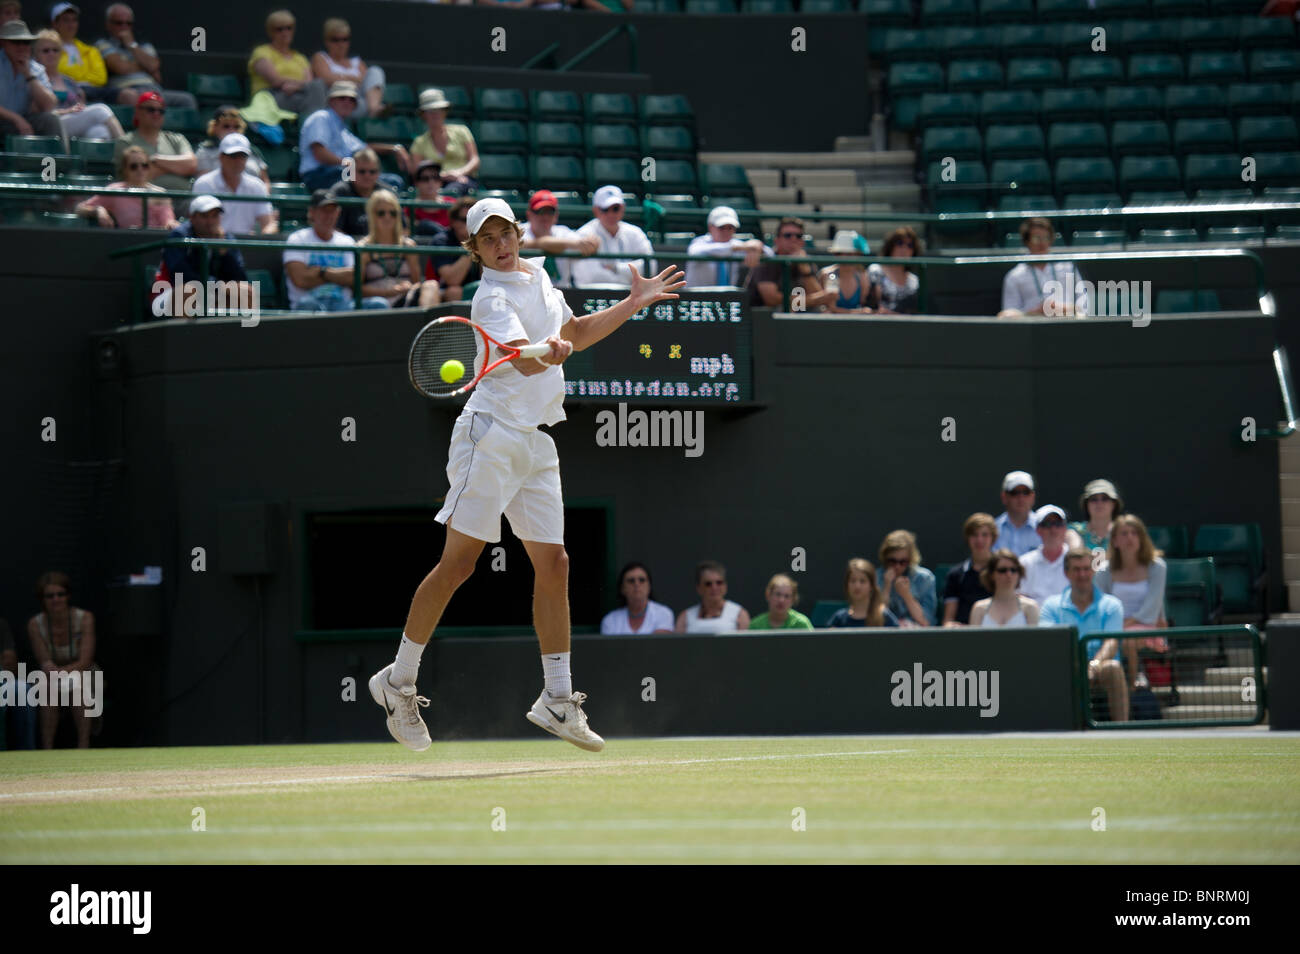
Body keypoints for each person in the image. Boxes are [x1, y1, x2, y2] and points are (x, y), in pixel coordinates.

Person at [368, 196, 685, 753]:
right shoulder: (488, 297)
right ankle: (397, 681)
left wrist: (633, 303)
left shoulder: (539, 277)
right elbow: (520, 357)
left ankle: (558, 700)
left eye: (505, 233)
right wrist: (549, 353)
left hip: (536, 439)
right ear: (475, 248)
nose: (501, 244)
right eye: (488, 239)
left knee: (555, 562)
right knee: (459, 564)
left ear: (518, 233)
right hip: (489, 438)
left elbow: (577, 333)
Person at [1039, 547, 1128, 721]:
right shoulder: (1051, 605)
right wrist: (1077, 667)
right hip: (1066, 668)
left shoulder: (1112, 605)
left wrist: (1093, 666)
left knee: (1113, 667)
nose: (1082, 574)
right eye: (1076, 569)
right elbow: (1050, 643)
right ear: (1066, 573)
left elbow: (1111, 642)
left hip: (1099, 667)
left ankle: (1121, 730)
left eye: (1086, 569)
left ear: (1093, 571)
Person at [283, 189, 387, 312]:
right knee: (308, 305)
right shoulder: (297, 239)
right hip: (310, 304)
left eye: (333, 210)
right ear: (312, 212)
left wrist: (321, 272)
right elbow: (301, 279)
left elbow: (355, 278)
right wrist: (338, 276)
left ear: (338, 213)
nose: (329, 215)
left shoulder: (347, 241)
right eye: (324, 210)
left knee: (379, 304)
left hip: (343, 306)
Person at [26, 571, 98, 749]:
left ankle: (83, 746)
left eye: (60, 594)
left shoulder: (85, 618)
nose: (56, 599)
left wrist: (63, 673)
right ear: (42, 599)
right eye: (50, 596)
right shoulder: (35, 624)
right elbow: (45, 661)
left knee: (79, 683)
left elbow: (85, 662)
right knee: (46, 687)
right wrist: (53, 673)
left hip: (84, 672)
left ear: (68, 596)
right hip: (52, 675)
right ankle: (47, 749)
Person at [149, 194, 251, 317]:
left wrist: (224, 253)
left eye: (215, 216)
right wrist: (220, 285)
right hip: (168, 293)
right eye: (204, 216)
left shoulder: (226, 239)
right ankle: (184, 335)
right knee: (188, 291)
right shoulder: (179, 236)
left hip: (210, 292)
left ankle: (236, 335)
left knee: (245, 291)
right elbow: (182, 277)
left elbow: (240, 278)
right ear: (192, 218)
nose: (210, 221)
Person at [298, 81, 407, 193]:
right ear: (331, 101)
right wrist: (349, 163)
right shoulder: (321, 117)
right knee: (365, 179)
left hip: (342, 172)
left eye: (351, 100)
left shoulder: (343, 130)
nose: (347, 102)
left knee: (394, 182)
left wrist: (394, 149)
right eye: (342, 98)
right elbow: (319, 153)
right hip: (317, 175)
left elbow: (365, 149)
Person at [94, 3, 196, 107]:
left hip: (154, 89)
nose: (124, 27)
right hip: (130, 90)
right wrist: (145, 67)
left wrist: (131, 45)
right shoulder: (103, 44)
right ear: (108, 24)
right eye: (119, 23)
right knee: (137, 99)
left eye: (128, 23)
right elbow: (120, 67)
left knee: (187, 100)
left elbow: (154, 66)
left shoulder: (142, 45)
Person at [357, 188, 441, 308]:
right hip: (375, 305)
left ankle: (428, 326)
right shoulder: (363, 247)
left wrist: (408, 287)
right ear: (372, 215)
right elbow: (357, 289)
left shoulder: (408, 245)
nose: (388, 217)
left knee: (431, 285)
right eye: (381, 213)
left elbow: (416, 282)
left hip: (405, 301)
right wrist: (389, 292)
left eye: (393, 213)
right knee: (380, 304)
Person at [33, 28, 118, 137]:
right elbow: (37, 113)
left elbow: (80, 106)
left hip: (73, 124)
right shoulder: (35, 79)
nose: (51, 54)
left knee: (99, 131)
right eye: (46, 50)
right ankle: (127, 146)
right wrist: (67, 111)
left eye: (55, 50)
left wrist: (79, 108)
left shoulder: (69, 81)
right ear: (35, 54)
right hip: (51, 125)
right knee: (101, 110)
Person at [1000, 216, 1088, 318]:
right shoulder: (1014, 276)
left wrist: (1064, 309)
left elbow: (1085, 304)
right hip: (1032, 329)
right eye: (1036, 239)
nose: (1042, 243)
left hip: (1068, 324)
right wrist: (1036, 312)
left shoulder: (1068, 267)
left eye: (1046, 238)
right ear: (1027, 241)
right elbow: (1008, 314)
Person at [572, 185, 656, 288]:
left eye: (615, 208)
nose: (611, 214)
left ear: (623, 208)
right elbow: (590, 277)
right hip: (594, 296)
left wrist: (615, 268)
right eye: (605, 209)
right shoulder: (584, 234)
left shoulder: (635, 233)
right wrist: (629, 277)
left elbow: (651, 266)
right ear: (595, 211)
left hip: (631, 297)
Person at [191, 133, 275, 236]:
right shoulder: (203, 184)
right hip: (214, 244)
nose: (238, 161)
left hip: (246, 246)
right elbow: (198, 225)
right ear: (221, 157)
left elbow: (269, 223)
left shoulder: (257, 185)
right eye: (233, 156)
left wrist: (264, 237)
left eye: (242, 156)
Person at [113, 90, 195, 195]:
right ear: (137, 112)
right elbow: (133, 176)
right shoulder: (125, 142)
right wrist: (177, 169)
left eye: (160, 111)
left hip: (182, 198)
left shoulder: (176, 139)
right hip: (143, 201)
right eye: (150, 110)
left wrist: (155, 160)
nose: (156, 113)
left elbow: (191, 165)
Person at [248, 9, 326, 119]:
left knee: (318, 86)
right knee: (317, 101)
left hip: (297, 94)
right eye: (279, 29)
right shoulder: (262, 52)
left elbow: (310, 83)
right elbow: (275, 81)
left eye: (289, 28)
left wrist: (295, 87)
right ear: (271, 31)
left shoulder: (300, 58)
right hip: (270, 97)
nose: (285, 32)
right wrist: (300, 84)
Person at [1095, 514, 1168, 632]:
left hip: (1149, 627)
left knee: (1128, 641)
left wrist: (1122, 628)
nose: (1130, 537)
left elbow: (1151, 608)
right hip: (1113, 629)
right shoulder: (1103, 570)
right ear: (1114, 541)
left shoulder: (1157, 567)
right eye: (1124, 533)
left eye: (1135, 533)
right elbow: (1101, 607)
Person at [75, 144, 176, 228]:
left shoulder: (160, 193)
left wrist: (172, 224)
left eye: (144, 165)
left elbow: (168, 221)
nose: (140, 169)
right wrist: (98, 210)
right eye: (134, 166)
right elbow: (80, 208)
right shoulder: (115, 190)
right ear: (125, 170)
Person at [747, 216, 836, 311]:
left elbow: (816, 295)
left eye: (798, 236)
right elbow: (771, 300)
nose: (793, 239)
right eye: (788, 235)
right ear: (777, 241)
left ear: (802, 242)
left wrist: (805, 270)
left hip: (798, 317)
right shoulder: (767, 260)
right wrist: (811, 300)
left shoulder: (806, 261)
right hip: (764, 318)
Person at [404, 87, 478, 195]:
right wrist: (443, 177)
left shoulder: (462, 131)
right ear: (423, 115)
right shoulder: (419, 143)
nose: (435, 114)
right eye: (430, 111)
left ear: (445, 112)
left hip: (464, 181)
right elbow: (418, 172)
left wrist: (460, 173)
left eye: (439, 109)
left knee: (453, 190)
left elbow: (475, 160)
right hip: (433, 185)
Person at [521, 188, 597, 289]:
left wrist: (589, 243)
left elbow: (593, 244)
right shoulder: (520, 231)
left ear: (556, 215)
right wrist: (570, 244)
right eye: (540, 212)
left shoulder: (562, 231)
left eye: (550, 212)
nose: (545, 217)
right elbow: (535, 243)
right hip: (528, 291)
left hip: (561, 292)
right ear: (529, 214)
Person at [310, 17, 385, 119]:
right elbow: (327, 79)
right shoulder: (320, 57)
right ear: (327, 41)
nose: (341, 44)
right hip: (339, 105)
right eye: (335, 40)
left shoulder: (356, 61)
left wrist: (341, 77)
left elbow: (365, 81)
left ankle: (374, 109)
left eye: (345, 39)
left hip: (360, 102)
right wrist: (354, 79)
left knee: (375, 71)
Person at [0, 18, 61, 138]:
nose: (22, 47)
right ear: (3, 43)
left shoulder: (36, 69)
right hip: (7, 121)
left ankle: (57, 157)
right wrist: (16, 119)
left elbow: (49, 106)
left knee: (50, 119)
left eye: (26, 42)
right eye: (16, 42)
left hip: (24, 122)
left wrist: (29, 75)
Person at [684, 205, 767, 289]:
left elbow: (770, 254)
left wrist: (758, 246)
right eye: (722, 227)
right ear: (710, 227)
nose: (726, 231)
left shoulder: (739, 245)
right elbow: (694, 252)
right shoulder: (699, 243)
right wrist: (740, 247)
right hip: (696, 299)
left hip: (727, 299)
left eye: (730, 227)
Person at [942, 512, 997, 626]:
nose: (979, 540)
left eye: (985, 535)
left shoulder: (1003, 570)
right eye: (974, 535)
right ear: (967, 538)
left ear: (993, 538)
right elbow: (948, 620)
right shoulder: (955, 575)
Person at [49, 2, 108, 104]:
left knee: (127, 95)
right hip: (69, 90)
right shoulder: (50, 50)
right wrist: (84, 75)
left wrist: (75, 77)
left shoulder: (91, 50)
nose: (71, 25)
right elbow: (57, 73)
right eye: (66, 20)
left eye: (74, 20)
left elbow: (101, 78)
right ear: (55, 24)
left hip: (95, 90)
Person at [193, 106, 269, 184]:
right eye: (226, 126)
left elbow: (265, 182)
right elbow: (204, 183)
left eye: (236, 127)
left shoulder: (253, 151)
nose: (232, 130)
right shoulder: (205, 151)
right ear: (214, 127)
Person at [877, 529, 936, 626]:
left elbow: (926, 622)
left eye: (903, 562)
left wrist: (906, 595)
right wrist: (886, 586)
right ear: (885, 558)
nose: (897, 566)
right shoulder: (876, 577)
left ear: (911, 560)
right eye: (892, 561)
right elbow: (877, 620)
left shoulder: (925, 578)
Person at [969, 549, 1040, 627]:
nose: (1009, 574)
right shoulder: (979, 609)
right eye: (1002, 570)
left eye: (1013, 570)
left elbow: (1035, 639)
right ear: (991, 575)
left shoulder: (1030, 607)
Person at [427, 195, 479, 301]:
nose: (470, 225)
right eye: (465, 220)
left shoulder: (485, 239)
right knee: (454, 292)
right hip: (444, 293)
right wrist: (471, 246)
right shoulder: (441, 241)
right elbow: (452, 280)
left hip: (477, 288)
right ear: (454, 221)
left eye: (474, 220)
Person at [675, 560, 751, 634]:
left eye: (719, 583)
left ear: (725, 586)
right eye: (708, 584)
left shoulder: (740, 614)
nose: (714, 587)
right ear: (699, 588)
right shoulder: (685, 617)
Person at [600, 562, 674, 635]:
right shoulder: (610, 620)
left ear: (649, 586)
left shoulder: (663, 614)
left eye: (642, 580)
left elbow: (658, 645)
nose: (637, 584)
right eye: (631, 581)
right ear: (622, 588)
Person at [1019, 505, 1072, 606]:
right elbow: (1018, 597)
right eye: (1047, 524)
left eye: (1058, 524)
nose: (1053, 529)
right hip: (1034, 620)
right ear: (1038, 530)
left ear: (1065, 528)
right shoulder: (1024, 563)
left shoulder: (1076, 562)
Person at [865, 226, 921, 314]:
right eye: (900, 243)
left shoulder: (914, 281)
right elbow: (872, 307)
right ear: (890, 246)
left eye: (910, 246)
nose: (904, 249)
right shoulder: (875, 271)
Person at [828, 557, 898, 627]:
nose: (857, 586)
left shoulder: (885, 616)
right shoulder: (839, 619)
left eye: (862, 581)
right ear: (847, 585)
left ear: (871, 586)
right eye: (853, 581)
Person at [818, 230, 870, 313]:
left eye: (849, 254)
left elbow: (863, 304)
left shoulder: (863, 276)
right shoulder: (826, 274)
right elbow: (832, 309)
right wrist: (858, 312)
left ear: (858, 255)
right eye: (839, 253)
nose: (843, 257)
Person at [1071, 478, 1123, 557]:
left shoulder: (1124, 531)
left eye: (1105, 499)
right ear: (1086, 504)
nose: (1099, 503)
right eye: (1094, 499)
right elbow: (1076, 558)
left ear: (1114, 504)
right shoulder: (1076, 531)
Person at [994, 469, 1040, 556]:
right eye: (1014, 493)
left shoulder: (1045, 528)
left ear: (1033, 496)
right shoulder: (992, 530)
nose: (1021, 498)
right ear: (1004, 497)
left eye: (1026, 492)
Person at [749, 573, 814, 630]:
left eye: (787, 596)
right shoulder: (755, 626)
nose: (781, 600)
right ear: (768, 595)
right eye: (778, 594)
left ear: (793, 599)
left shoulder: (802, 624)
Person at [407, 159, 451, 237]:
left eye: (435, 177)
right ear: (416, 183)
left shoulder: (452, 205)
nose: (431, 182)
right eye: (425, 178)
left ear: (441, 182)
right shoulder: (409, 209)